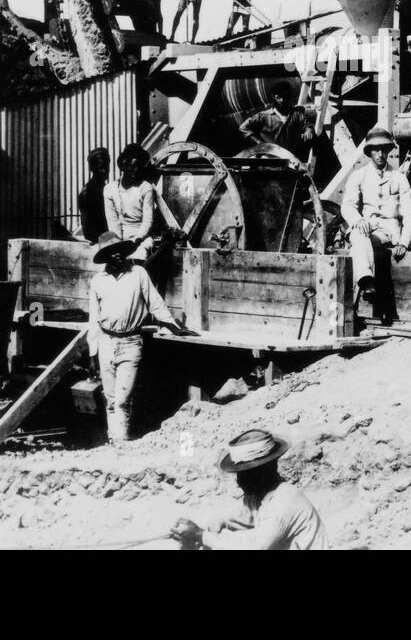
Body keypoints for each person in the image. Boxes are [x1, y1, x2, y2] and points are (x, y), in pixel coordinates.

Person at [88, 232, 190, 444]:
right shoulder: (98, 281)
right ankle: (113, 441)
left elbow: (155, 302)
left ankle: (121, 443)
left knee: (124, 399)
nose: (116, 255)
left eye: (119, 251)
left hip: (131, 343)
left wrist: (173, 326)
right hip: (106, 342)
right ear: (105, 257)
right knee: (110, 399)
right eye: (110, 252)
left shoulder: (138, 273)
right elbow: (93, 319)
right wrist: (92, 353)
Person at [169, 429, 327, 550]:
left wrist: (201, 535)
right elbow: (230, 515)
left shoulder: (284, 502)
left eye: (245, 474)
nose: (239, 482)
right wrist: (198, 527)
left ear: (265, 470)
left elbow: (256, 545)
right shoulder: (261, 495)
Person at [341, 126, 411, 310]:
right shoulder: (359, 175)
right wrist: (358, 220)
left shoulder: (399, 178)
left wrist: (404, 243)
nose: (380, 154)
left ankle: (366, 282)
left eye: (384, 149)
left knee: (360, 242)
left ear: (389, 151)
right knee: (359, 236)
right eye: (375, 149)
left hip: (387, 232)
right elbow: (347, 205)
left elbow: (409, 214)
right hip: (365, 226)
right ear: (369, 152)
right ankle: (367, 282)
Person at [104, 144, 157, 260]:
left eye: (138, 166)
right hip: (118, 236)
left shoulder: (145, 188)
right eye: (132, 166)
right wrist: (118, 244)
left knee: (138, 257)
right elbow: (113, 221)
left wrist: (135, 241)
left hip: (140, 237)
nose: (135, 170)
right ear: (123, 166)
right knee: (108, 258)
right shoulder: (110, 189)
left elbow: (148, 221)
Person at [239, 82, 316, 159]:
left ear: (289, 96)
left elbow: (307, 125)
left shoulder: (296, 114)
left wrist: (309, 130)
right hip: (270, 157)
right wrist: (260, 143)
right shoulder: (263, 116)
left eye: (285, 97)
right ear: (273, 97)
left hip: (291, 157)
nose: (282, 100)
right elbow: (243, 127)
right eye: (279, 97)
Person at [76, 147, 111, 243]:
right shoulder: (88, 193)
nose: (105, 171)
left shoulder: (108, 189)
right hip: (101, 243)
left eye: (106, 167)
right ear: (92, 168)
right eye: (100, 168)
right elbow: (90, 231)